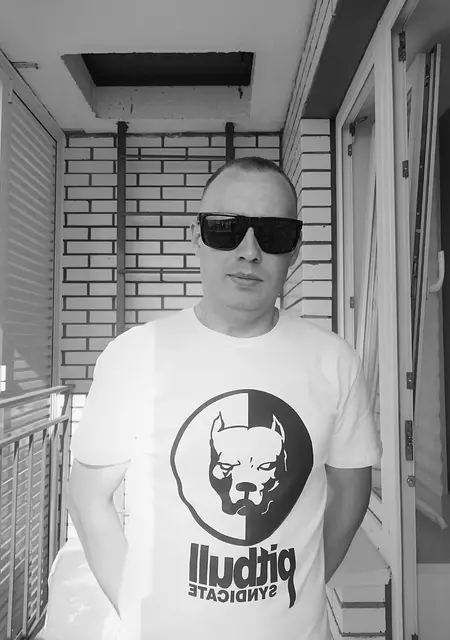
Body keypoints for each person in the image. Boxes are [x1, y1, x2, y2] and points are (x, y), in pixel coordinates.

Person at [46, 157, 381, 640]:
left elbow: (351, 489)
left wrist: (304, 590)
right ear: (196, 237)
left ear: (295, 248)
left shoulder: (335, 361)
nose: (250, 251)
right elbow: (87, 497)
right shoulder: (135, 355)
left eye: (274, 233)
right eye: (226, 229)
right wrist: (137, 614)